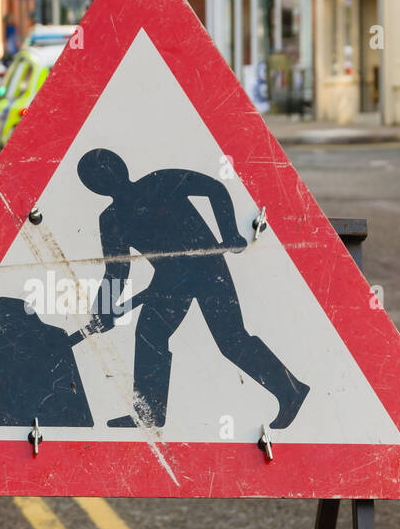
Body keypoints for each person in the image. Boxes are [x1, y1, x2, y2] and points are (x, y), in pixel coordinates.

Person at [77, 148, 309, 430]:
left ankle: (291, 390)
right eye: (96, 177)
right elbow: (116, 269)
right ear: (93, 187)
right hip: (169, 279)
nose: (104, 178)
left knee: (231, 340)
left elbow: (214, 188)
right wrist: (104, 310)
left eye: (106, 170)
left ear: (120, 167)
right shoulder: (111, 219)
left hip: (207, 267)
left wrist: (229, 233)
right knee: (150, 334)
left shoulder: (159, 181)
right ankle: (149, 413)